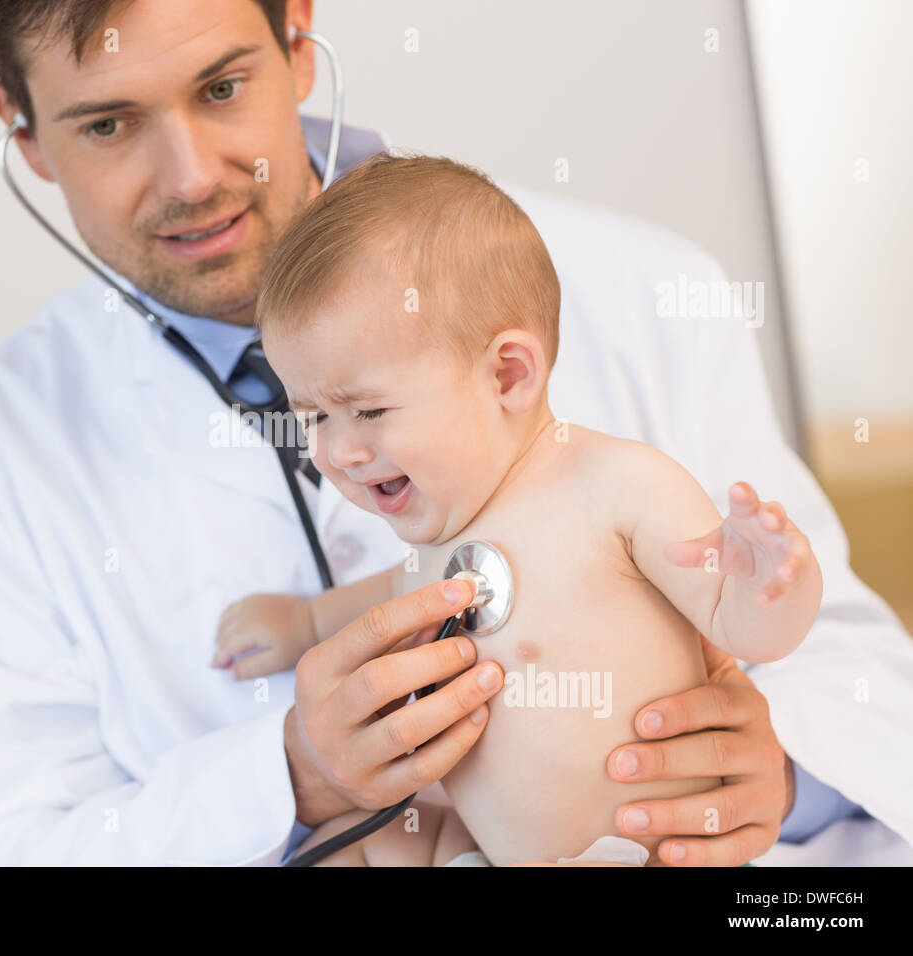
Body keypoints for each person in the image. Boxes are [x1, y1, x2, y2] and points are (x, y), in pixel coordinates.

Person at [0, 0, 913, 865]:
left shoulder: (642, 289)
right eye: (106, 125)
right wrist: (291, 774)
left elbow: (862, 680)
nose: (189, 177)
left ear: (297, 36)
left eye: (220, 88)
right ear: (23, 128)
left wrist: (782, 770)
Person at [236, 154, 822, 866]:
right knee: (347, 847)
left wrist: (769, 581)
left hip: (636, 846)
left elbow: (741, 621)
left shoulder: (616, 485)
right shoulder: (436, 545)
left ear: (509, 374)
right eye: (313, 419)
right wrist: (301, 623)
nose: (339, 453)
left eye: (368, 411)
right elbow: (376, 607)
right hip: (486, 847)